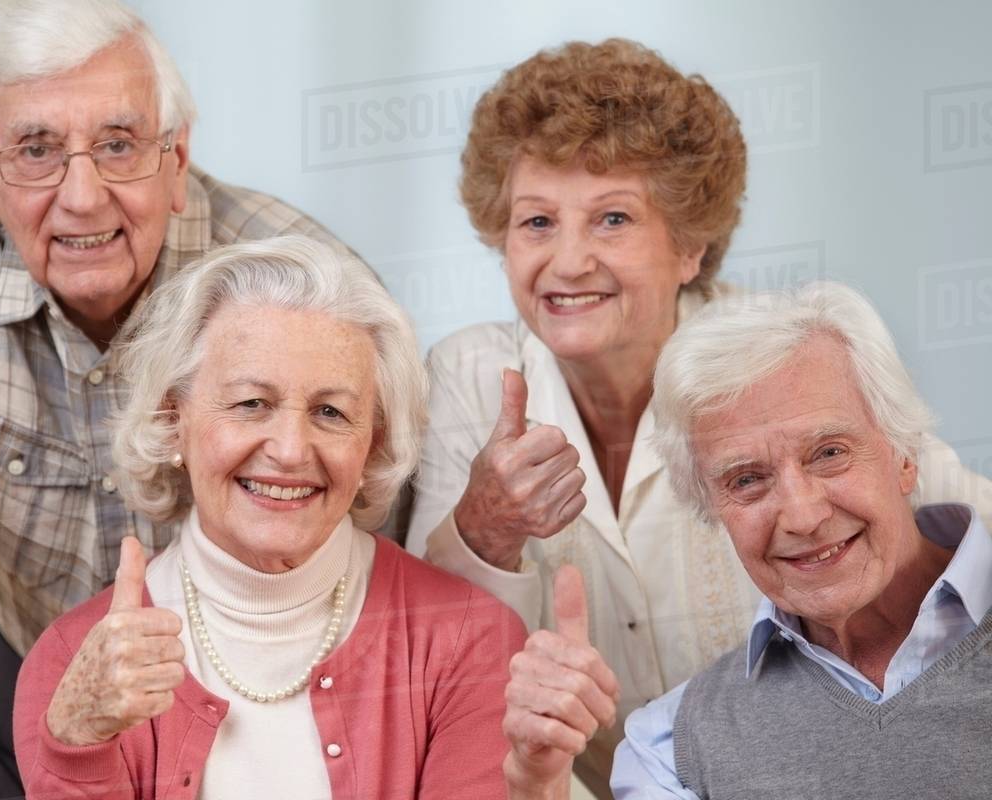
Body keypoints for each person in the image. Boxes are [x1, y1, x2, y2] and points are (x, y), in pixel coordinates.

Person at [404, 38, 992, 795]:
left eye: (612, 219)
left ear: (690, 246)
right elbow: (427, 651)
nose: (569, 259)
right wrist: (486, 526)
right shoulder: (472, 376)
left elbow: (942, 503)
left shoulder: (781, 361)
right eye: (537, 223)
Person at [0, 2, 363, 797]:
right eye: (35, 149)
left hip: (253, 706)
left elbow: (388, 555)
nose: (82, 196)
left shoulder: (294, 277)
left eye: (118, 145)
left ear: (178, 155)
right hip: (19, 685)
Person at [12, 235, 529, 799]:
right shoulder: (73, 664)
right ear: (172, 418)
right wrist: (78, 744)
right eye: (251, 403)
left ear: (372, 445)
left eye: (331, 413)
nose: (289, 450)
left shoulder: (469, 641)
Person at [611, 281, 992, 798]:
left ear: (904, 454)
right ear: (713, 509)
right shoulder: (667, 752)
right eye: (746, 480)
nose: (803, 516)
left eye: (829, 453)